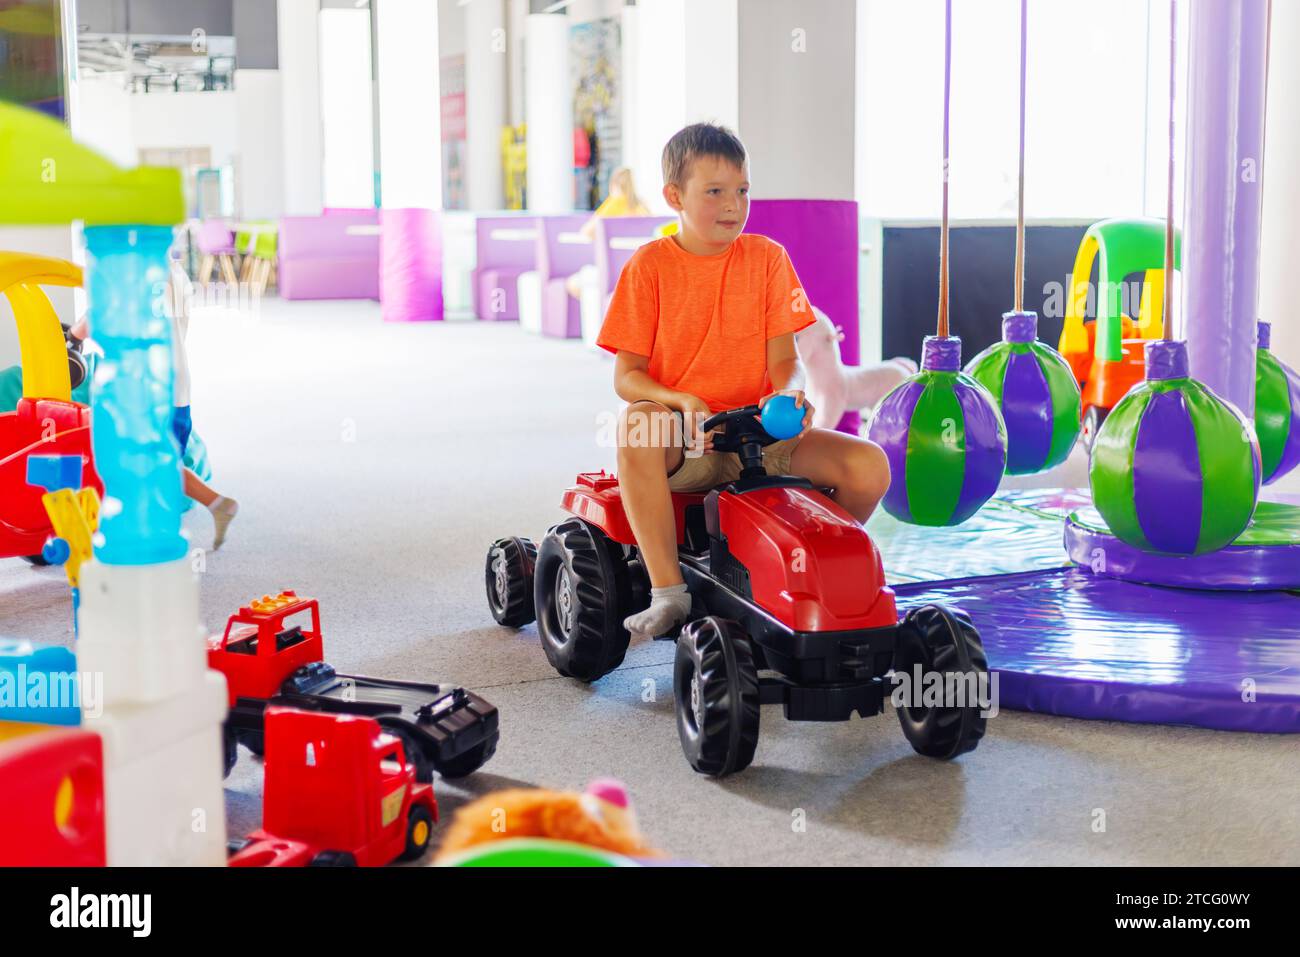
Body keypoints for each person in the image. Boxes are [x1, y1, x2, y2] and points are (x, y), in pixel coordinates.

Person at [595, 123, 891, 641]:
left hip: (762, 436)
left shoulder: (768, 259)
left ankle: (806, 574)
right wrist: (679, 401)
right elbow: (627, 376)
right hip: (688, 442)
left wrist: (790, 389)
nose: (733, 205)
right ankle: (668, 592)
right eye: (714, 192)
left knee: (869, 466)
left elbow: (786, 359)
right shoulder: (649, 267)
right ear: (674, 197)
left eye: (742, 190)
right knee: (637, 425)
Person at [565, 166, 652, 299]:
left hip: (613, 274)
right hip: (642, 272)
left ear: (613, 185)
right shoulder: (643, 208)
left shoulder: (613, 205)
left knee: (573, 283)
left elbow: (586, 232)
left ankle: (600, 315)